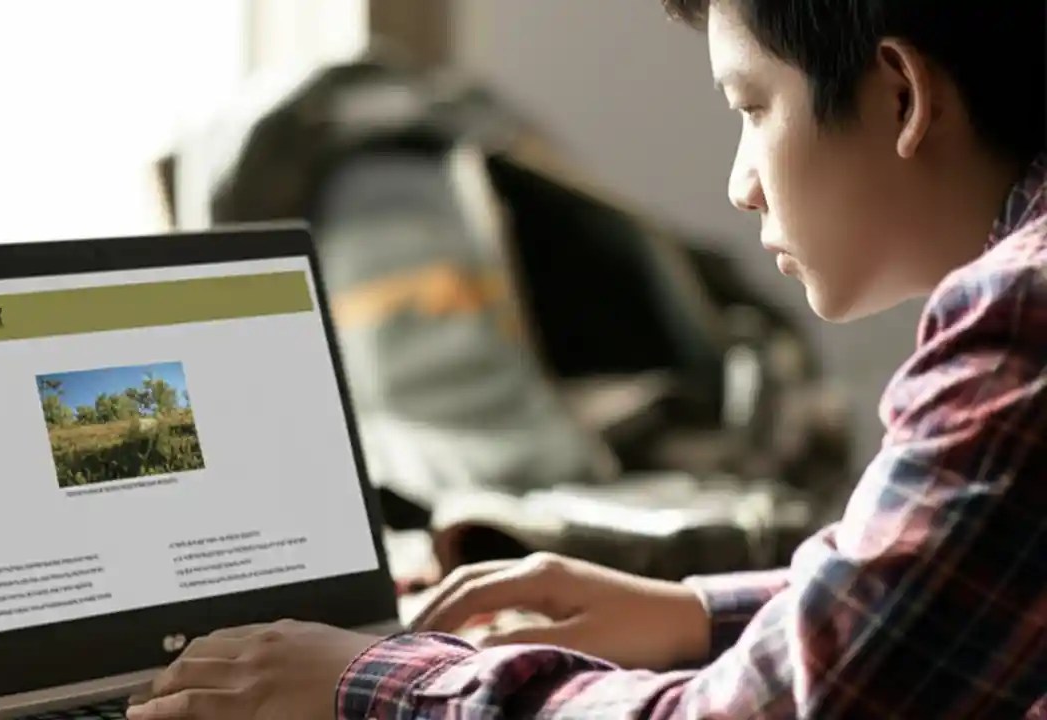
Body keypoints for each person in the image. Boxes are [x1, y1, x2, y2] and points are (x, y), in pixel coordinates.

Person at [125, 0, 1047, 717]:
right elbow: (954, 585)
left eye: (752, 107)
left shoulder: (1019, 317)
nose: (740, 185)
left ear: (900, 96)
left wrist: (372, 683)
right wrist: (693, 612)